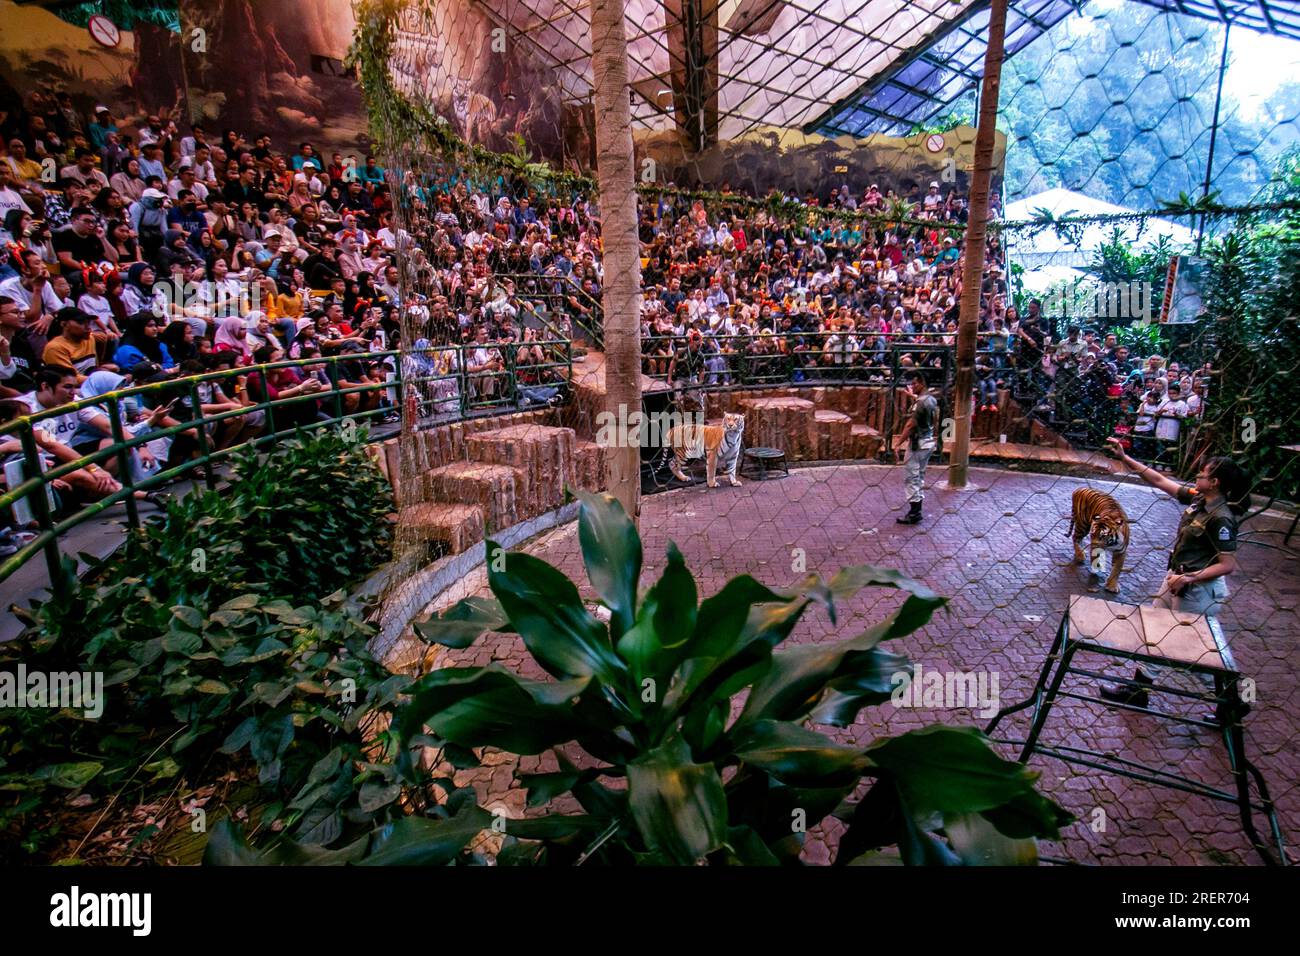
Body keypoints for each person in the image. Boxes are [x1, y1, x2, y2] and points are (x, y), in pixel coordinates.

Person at [1100, 440, 1250, 707]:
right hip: (1176, 580)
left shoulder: (1221, 517)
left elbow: (1228, 565)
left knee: (1193, 651)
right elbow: (1158, 479)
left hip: (1197, 590)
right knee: (1154, 631)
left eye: (1202, 474)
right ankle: (1139, 690)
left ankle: (1232, 701)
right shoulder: (1197, 498)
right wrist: (1126, 458)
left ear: (1214, 482)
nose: (1197, 475)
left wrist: (1189, 577)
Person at [895, 370, 939, 524]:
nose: (912, 386)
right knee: (919, 476)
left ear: (922, 383)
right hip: (928, 443)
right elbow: (925, 408)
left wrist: (898, 443)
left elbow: (910, 425)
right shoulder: (931, 399)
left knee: (911, 478)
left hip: (917, 444)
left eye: (914, 383)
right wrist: (912, 397)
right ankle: (917, 509)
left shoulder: (920, 402)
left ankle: (914, 513)